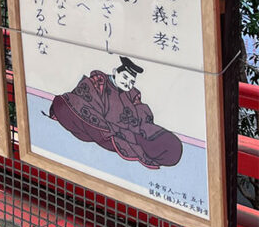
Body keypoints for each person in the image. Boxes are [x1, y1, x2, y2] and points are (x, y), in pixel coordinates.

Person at [48, 56, 183, 169]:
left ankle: (151, 144)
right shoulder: (100, 81)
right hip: (102, 124)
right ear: (115, 72)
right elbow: (87, 97)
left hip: (126, 129)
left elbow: (139, 113)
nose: (127, 83)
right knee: (68, 106)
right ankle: (142, 142)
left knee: (160, 141)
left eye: (131, 82)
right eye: (125, 77)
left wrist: (141, 127)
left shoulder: (131, 94)